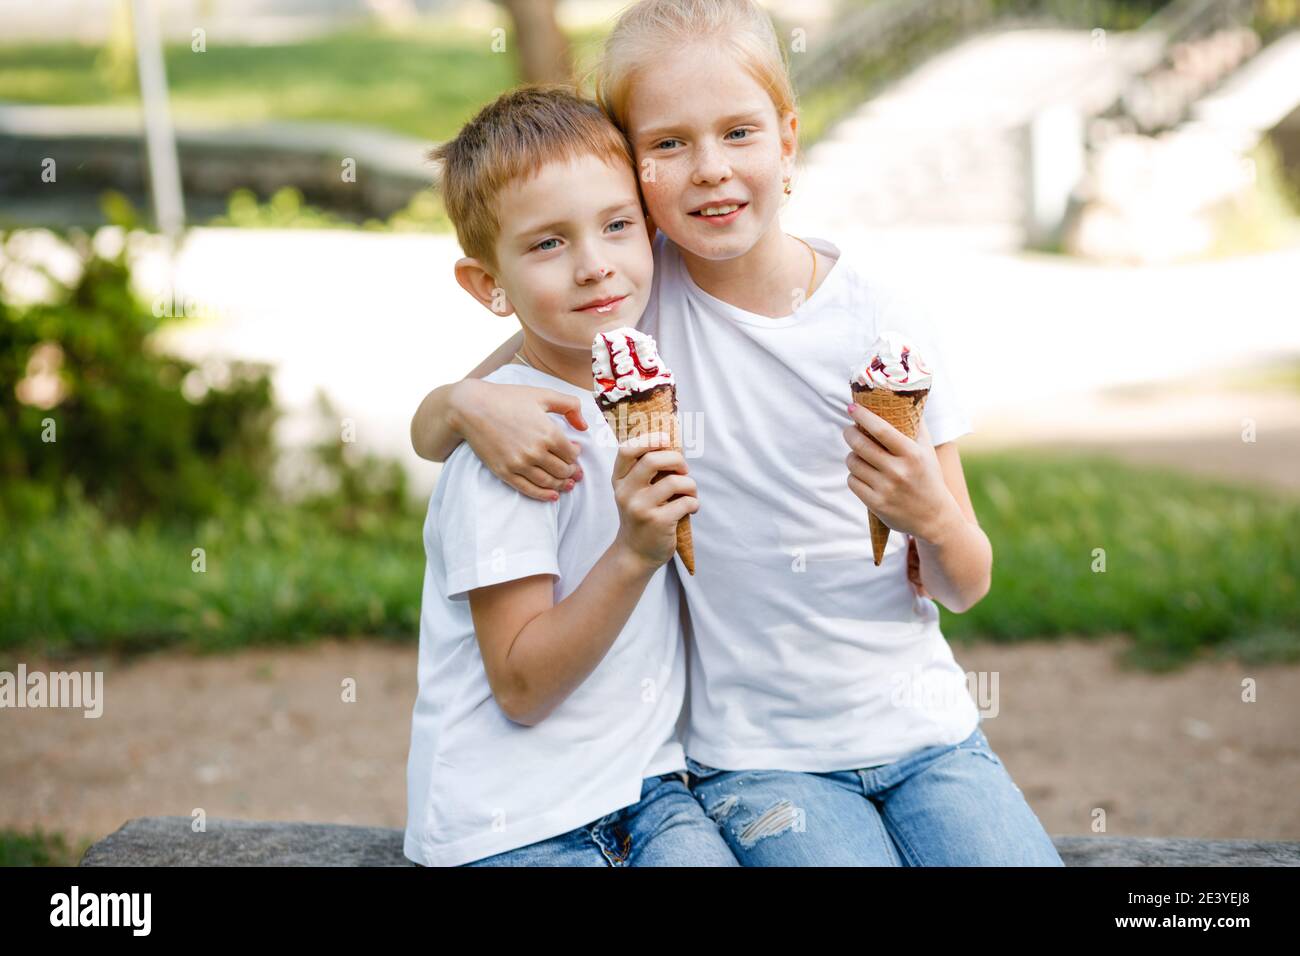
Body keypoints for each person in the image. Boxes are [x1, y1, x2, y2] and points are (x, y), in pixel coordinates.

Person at [409, 0, 1062, 866]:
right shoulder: (635, 297)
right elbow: (464, 408)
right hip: (755, 760)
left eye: (739, 133)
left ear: (788, 140)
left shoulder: (879, 319)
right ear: (635, 172)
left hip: (928, 731)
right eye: (670, 145)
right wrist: (460, 404)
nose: (710, 169)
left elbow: (964, 583)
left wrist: (931, 518)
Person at [403, 84, 738, 867]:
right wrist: (633, 554)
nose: (595, 267)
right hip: (515, 821)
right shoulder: (514, 446)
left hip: (646, 789)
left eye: (617, 225)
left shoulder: (641, 344)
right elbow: (521, 687)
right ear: (489, 285)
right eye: (547, 244)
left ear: (651, 229)